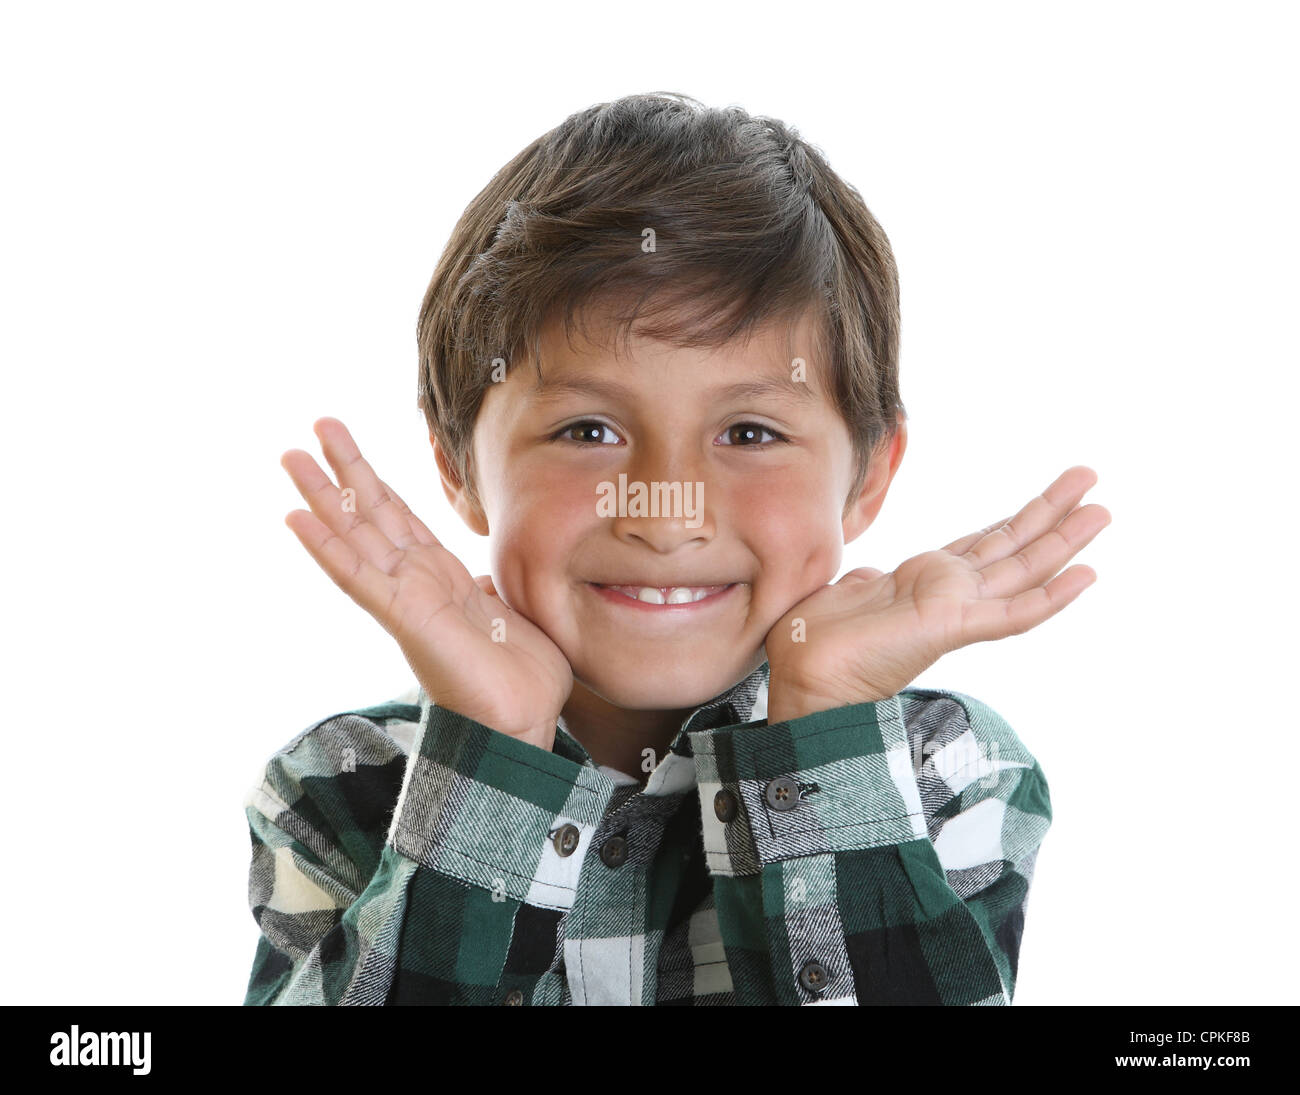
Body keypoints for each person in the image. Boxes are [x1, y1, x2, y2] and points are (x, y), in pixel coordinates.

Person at [242, 91, 1110, 1005]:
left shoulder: (945, 770)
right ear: (458, 465)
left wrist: (822, 724)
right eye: (586, 430)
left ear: (867, 477)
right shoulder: (339, 786)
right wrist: (491, 754)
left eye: (748, 433)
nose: (666, 512)